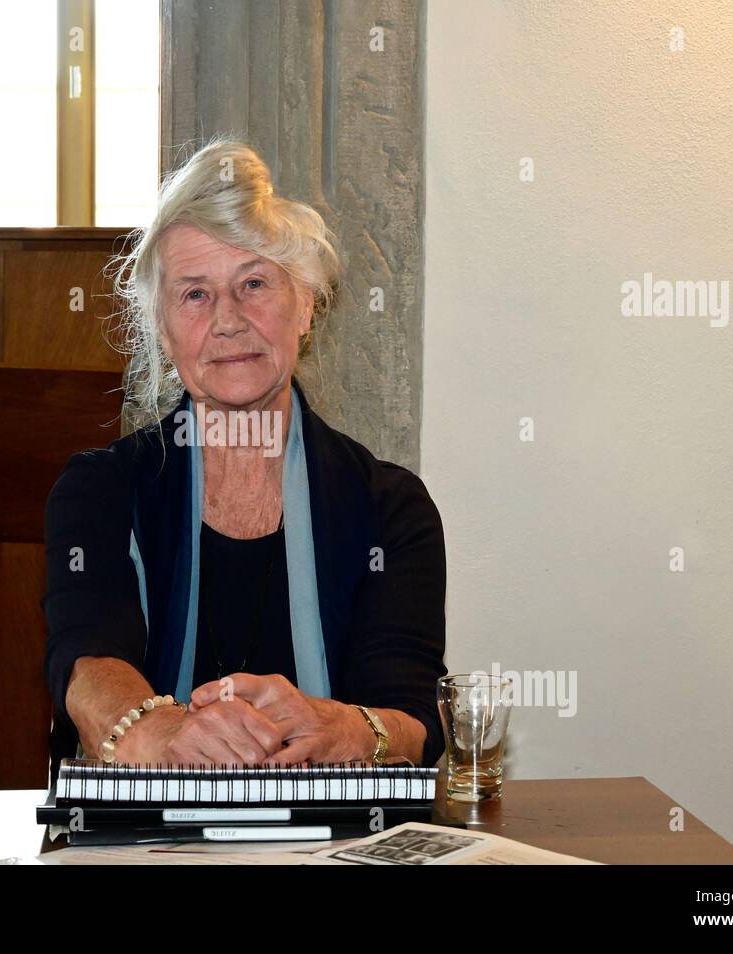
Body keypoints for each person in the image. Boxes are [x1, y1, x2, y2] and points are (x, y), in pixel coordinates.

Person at [42, 138, 447, 777]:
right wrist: (160, 731)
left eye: (253, 284)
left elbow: (414, 716)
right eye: (195, 294)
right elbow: (87, 666)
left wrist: (338, 725)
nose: (228, 321)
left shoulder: (390, 507)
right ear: (163, 329)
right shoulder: (98, 489)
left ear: (306, 305)